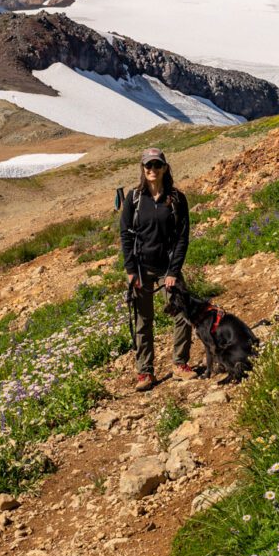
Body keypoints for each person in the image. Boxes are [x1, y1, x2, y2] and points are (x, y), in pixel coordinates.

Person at [119, 146, 192, 391]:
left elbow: (182, 237)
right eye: (148, 165)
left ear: (164, 168)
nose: (152, 169)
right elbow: (126, 235)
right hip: (141, 268)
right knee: (143, 320)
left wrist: (173, 271)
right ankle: (145, 372)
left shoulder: (177, 199)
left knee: (181, 313)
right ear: (142, 168)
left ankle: (180, 364)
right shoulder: (134, 199)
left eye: (156, 165)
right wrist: (131, 270)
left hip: (167, 267)